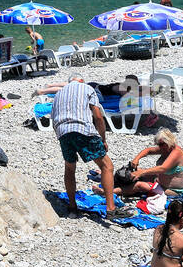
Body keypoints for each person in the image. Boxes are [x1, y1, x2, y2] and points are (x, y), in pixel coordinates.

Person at [49, 77, 131, 221]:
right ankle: (111, 209)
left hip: (62, 132)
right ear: (81, 80)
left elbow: (53, 117)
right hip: (82, 129)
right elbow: (98, 116)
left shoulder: (58, 94)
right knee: (107, 166)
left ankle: (73, 207)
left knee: (69, 168)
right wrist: (103, 139)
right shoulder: (87, 88)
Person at [116, 130, 183, 200]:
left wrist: (142, 172)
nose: (159, 147)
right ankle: (116, 184)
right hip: (159, 181)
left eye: (161, 144)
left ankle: (109, 192)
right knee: (130, 173)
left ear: (168, 142)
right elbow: (148, 150)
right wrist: (136, 159)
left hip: (171, 191)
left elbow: (163, 169)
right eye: (158, 144)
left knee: (140, 185)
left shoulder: (176, 153)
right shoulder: (165, 148)